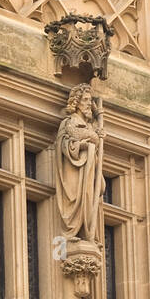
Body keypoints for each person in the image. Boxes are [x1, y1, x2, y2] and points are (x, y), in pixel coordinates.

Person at [53, 83, 106, 243]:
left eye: (90, 100)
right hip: (74, 166)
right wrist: (81, 145)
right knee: (74, 197)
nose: (89, 103)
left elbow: (93, 139)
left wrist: (97, 136)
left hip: (89, 169)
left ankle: (87, 232)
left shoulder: (91, 126)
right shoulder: (69, 123)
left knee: (88, 197)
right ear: (76, 102)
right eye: (85, 100)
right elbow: (63, 144)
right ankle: (70, 233)